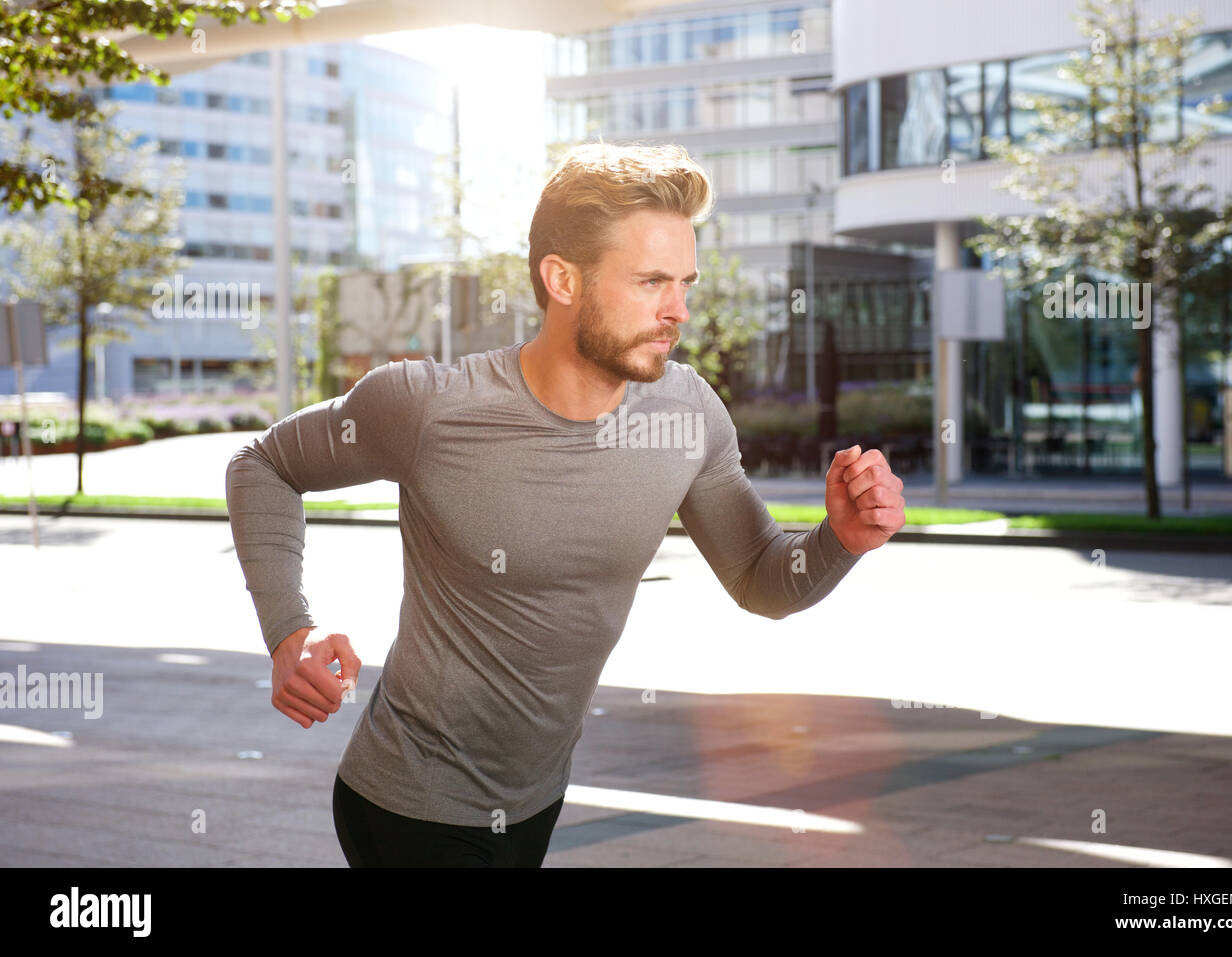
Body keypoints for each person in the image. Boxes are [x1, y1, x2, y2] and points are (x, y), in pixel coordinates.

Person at [224, 142, 906, 868]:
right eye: (650, 282)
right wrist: (290, 632)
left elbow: (761, 577)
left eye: (684, 283)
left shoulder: (688, 415)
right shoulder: (431, 408)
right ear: (562, 279)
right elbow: (263, 463)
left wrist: (841, 536)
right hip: (406, 804)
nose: (677, 311)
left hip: (533, 804)